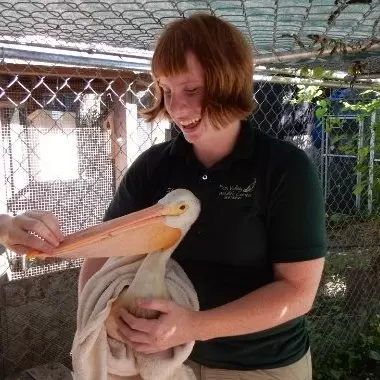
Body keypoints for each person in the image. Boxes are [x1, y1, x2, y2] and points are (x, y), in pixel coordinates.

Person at [0, 14, 326, 380]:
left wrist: (193, 327)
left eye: (192, 89)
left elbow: (298, 293)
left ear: (228, 82)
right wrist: (100, 324)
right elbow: (104, 252)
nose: (177, 107)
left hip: (258, 363)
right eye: (166, 90)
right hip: (161, 361)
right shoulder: (154, 166)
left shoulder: (284, 168)